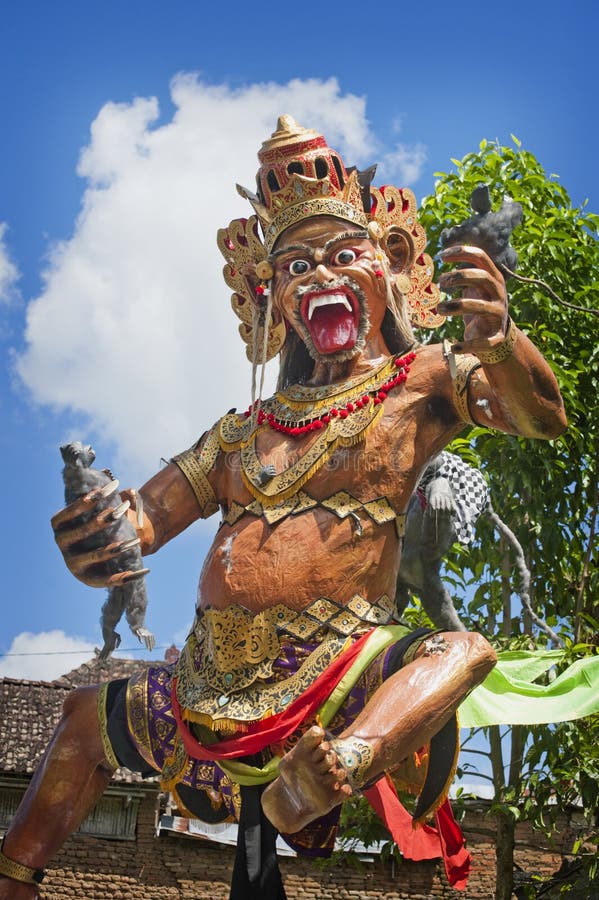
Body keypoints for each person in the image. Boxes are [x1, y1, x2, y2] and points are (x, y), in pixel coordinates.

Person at [0, 116, 566, 899]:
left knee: (460, 651)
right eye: (296, 265)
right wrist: (101, 537)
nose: (318, 275)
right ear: (271, 299)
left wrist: (499, 343)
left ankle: (336, 768)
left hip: (340, 662)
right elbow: (145, 520)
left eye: (341, 255)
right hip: (210, 671)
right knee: (82, 720)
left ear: (390, 262)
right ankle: (12, 879)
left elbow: (540, 418)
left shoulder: (422, 381)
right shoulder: (239, 432)